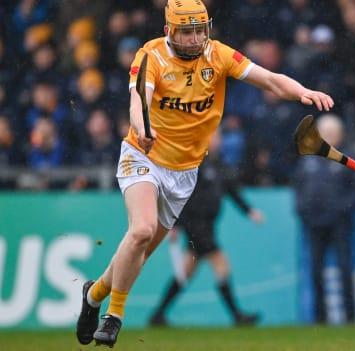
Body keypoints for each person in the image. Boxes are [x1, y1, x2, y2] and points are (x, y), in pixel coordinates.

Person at [75, 0, 333, 347]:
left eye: (200, 30)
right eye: (187, 31)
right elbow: (139, 103)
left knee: (139, 252)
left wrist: (302, 91)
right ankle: (114, 316)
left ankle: (94, 296)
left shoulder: (219, 55)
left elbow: (269, 79)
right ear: (169, 31)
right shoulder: (150, 56)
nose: (196, 38)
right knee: (141, 230)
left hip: (184, 172)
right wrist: (143, 129)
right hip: (143, 155)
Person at [148, 129, 264, 327]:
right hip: (196, 226)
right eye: (213, 136)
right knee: (221, 264)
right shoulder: (194, 163)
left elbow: (232, 191)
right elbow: (180, 195)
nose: (217, 140)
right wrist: (175, 225)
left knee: (185, 273)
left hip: (208, 226)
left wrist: (249, 211)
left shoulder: (219, 165)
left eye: (219, 136)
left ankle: (158, 315)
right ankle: (237, 316)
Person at [293, 114, 355, 324]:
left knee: (345, 268)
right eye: (325, 134)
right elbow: (298, 187)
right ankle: (320, 318)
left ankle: (350, 317)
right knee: (316, 270)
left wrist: (343, 209)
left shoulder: (348, 158)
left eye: (332, 133)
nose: (329, 137)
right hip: (314, 223)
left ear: (340, 135)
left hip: (340, 223)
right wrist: (302, 209)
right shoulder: (307, 160)